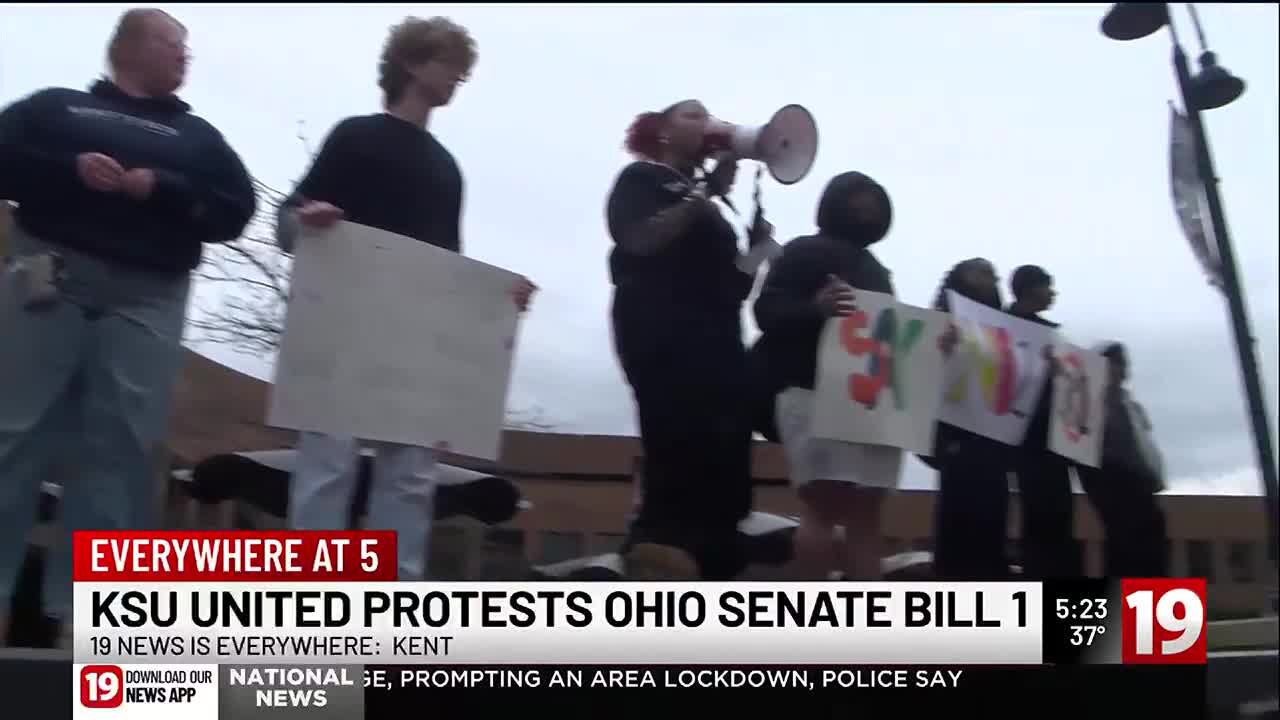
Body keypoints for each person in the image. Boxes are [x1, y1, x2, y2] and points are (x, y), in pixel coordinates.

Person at [0, 8, 256, 644]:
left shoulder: (199, 139)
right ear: (134, 48)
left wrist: (160, 186)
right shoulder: (56, 110)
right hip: (48, 279)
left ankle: (81, 626)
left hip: (148, 296)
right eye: (176, 44)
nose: (185, 57)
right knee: (12, 435)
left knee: (121, 453)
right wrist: (69, 169)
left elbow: (234, 210)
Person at [275, 17, 536, 582]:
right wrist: (309, 221)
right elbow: (285, 224)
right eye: (449, 65)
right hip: (343, 331)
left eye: (462, 72)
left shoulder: (447, 169)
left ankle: (395, 615)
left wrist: (496, 300)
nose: (457, 80)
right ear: (413, 64)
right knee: (327, 467)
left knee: (411, 477)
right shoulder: (355, 136)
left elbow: (449, 270)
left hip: (414, 343)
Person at [605, 99, 773, 580]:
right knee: (677, 443)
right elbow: (638, 239)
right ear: (661, 131)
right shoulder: (641, 179)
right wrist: (701, 197)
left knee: (726, 452)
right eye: (693, 115)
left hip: (717, 338)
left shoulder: (708, 206)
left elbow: (732, 290)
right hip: (661, 330)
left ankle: (715, 557)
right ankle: (660, 552)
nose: (708, 123)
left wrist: (757, 249)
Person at [749, 171, 902, 580]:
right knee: (824, 506)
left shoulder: (878, 271)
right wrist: (816, 307)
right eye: (858, 199)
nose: (867, 208)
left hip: (871, 403)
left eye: (875, 201)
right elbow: (767, 312)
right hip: (811, 391)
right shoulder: (802, 251)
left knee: (867, 511)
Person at [921, 258, 1013, 580]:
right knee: (957, 523)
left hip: (992, 443)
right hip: (956, 441)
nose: (991, 278)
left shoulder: (1006, 328)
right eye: (981, 272)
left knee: (992, 522)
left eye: (992, 272)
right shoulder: (940, 321)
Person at [1006, 264, 1080, 578]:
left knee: (1060, 516)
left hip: (1054, 442)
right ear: (1029, 288)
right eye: (1047, 286)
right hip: (1029, 441)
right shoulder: (1006, 328)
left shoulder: (1049, 334)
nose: (1053, 293)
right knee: (1041, 517)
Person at [1077, 343, 1169, 577]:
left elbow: (1144, 445)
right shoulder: (1090, 400)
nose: (1121, 368)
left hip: (1138, 479)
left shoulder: (1131, 405)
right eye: (1115, 363)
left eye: (1123, 363)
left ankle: (1151, 602)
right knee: (1123, 538)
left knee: (1152, 531)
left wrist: (1154, 474)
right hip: (1108, 476)